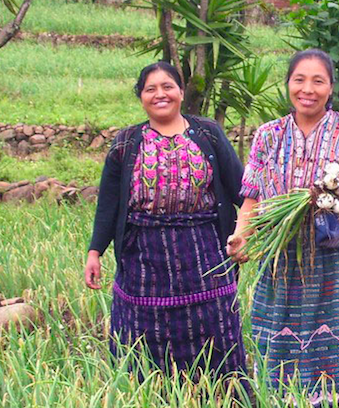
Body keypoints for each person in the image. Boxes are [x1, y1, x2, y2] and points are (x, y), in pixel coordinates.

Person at [227, 49, 339, 407]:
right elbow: (251, 198)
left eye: (318, 81)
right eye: (299, 80)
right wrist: (241, 236)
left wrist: (333, 195)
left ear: (331, 88)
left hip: (336, 258)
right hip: (281, 257)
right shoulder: (268, 135)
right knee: (281, 346)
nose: (307, 89)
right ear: (288, 84)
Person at [84, 62, 247, 381]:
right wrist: (95, 252)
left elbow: (241, 187)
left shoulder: (207, 134)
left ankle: (223, 393)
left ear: (182, 92)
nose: (160, 94)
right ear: (141, 97)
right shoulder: (126, 143)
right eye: (150, 89)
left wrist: (258, 227)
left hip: (204, 253)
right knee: (141, 334)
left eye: (168, 86)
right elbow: (108, 203)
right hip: (143, 256)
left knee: (215, 330)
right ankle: (146, 391)